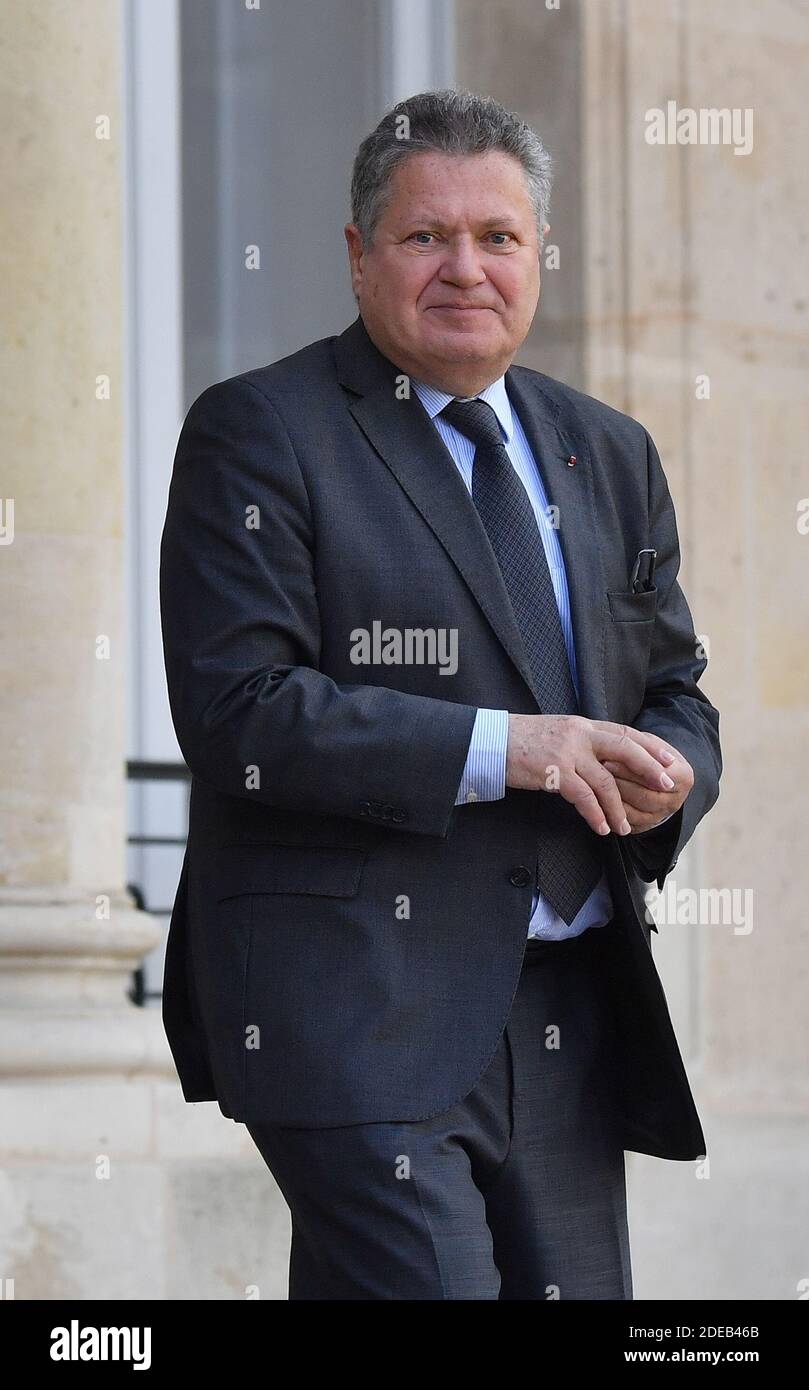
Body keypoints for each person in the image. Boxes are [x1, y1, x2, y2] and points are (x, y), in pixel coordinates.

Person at [159, 89, 721, 1300]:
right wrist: (508, 747)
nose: (465, 267)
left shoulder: (605, 451)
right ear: (360, 256)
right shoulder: (260, 432)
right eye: (425, 237)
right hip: (355, 1003)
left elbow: (673, 685)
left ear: (536, 257)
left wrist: (668, 774)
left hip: (569, 1004)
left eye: (497, 237)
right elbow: (238, 709)